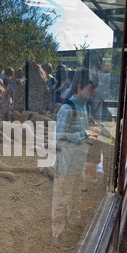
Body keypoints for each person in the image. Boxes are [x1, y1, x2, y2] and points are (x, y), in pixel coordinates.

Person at [51, 69, 98, 242]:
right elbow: (59, 139)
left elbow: (82, 132)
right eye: (90, 88)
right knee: (62, 199)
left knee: (77, 196)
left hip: (79, 163)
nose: (93, 92)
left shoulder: (85, 106)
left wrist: (91, 134)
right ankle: (58, 232)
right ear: (79, 86)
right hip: (65, 166)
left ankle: (73, 225)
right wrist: (85, 135)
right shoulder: (67, 108)